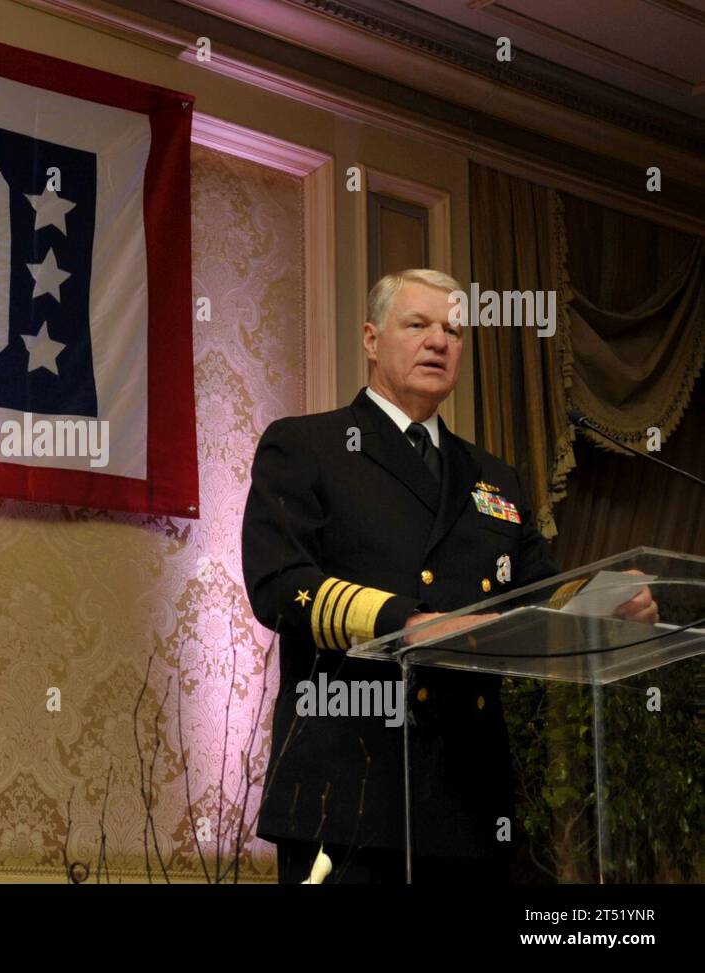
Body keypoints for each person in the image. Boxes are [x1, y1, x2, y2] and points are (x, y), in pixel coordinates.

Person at [241, 268, 657, 883]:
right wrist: (405, 624)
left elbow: (537, 594)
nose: (439, 341)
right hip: (349, 794)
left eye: (454, 331)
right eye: (418, 324)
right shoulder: (308, 446)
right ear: (371, 338)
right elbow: (278, 584)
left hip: (467, 804)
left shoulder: (496, 478)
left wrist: (605, 603)